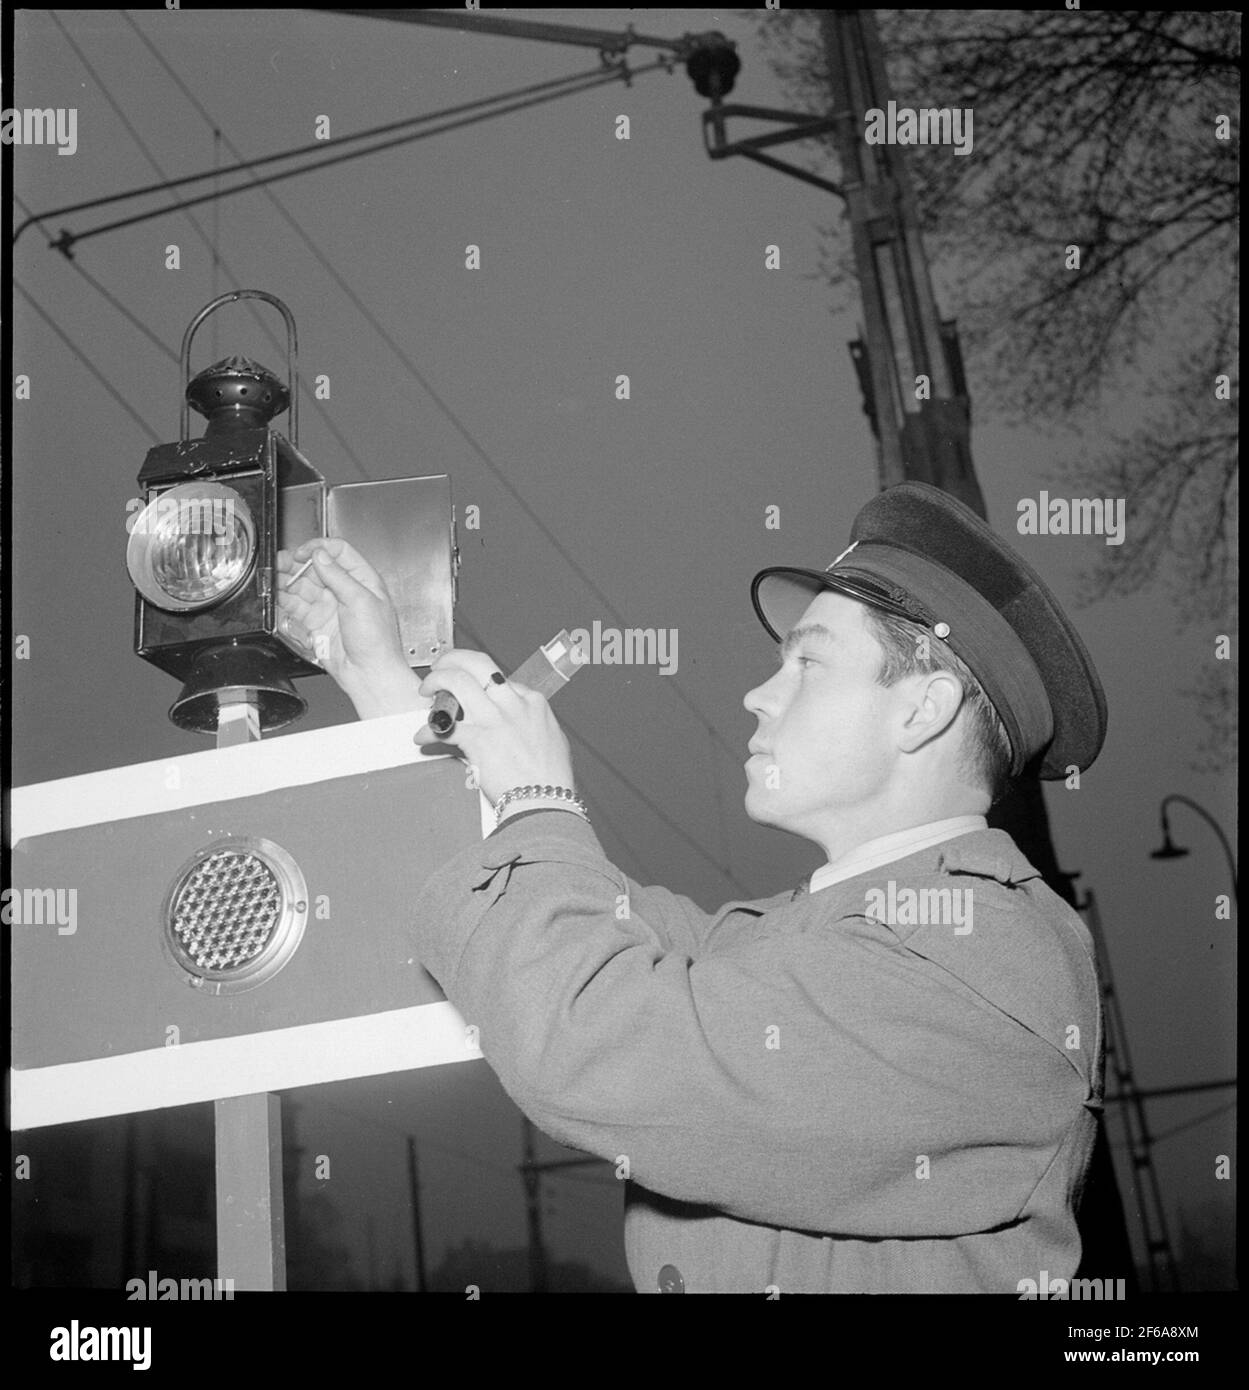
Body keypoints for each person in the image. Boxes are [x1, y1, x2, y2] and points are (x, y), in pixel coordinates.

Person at [275, 481, 1108, 1294]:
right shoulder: (803, 937)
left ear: (921, 711)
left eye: (807, 662)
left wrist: (539, 797)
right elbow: (580, 920)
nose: (757, 693)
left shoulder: (983, 954)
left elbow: (590, 1037)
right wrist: (383, 686)